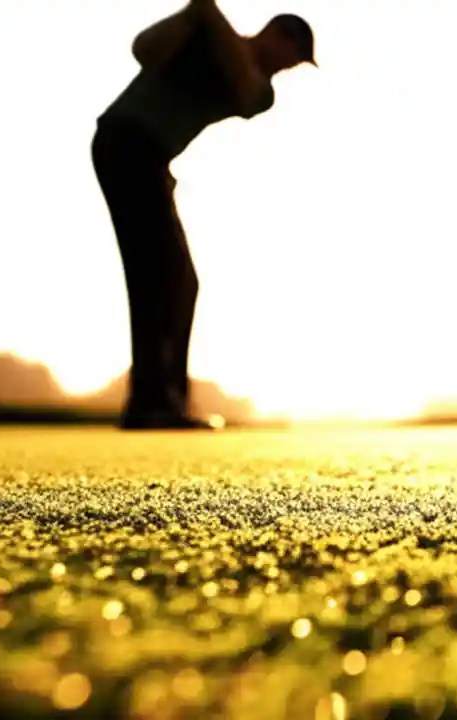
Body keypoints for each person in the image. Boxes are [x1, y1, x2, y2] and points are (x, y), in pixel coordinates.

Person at [91, 1, 315, 429]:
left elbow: (246, 89)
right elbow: (144, 50)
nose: (290, 67)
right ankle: (154, 403)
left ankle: (161, 400)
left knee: (179, 281)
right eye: (295, 56)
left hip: (148, 159)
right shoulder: (200, 32)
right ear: (278, 35)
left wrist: (209, 12)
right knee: (155, 276)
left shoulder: (261, 89)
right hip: (124, 143)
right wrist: (196, 12)